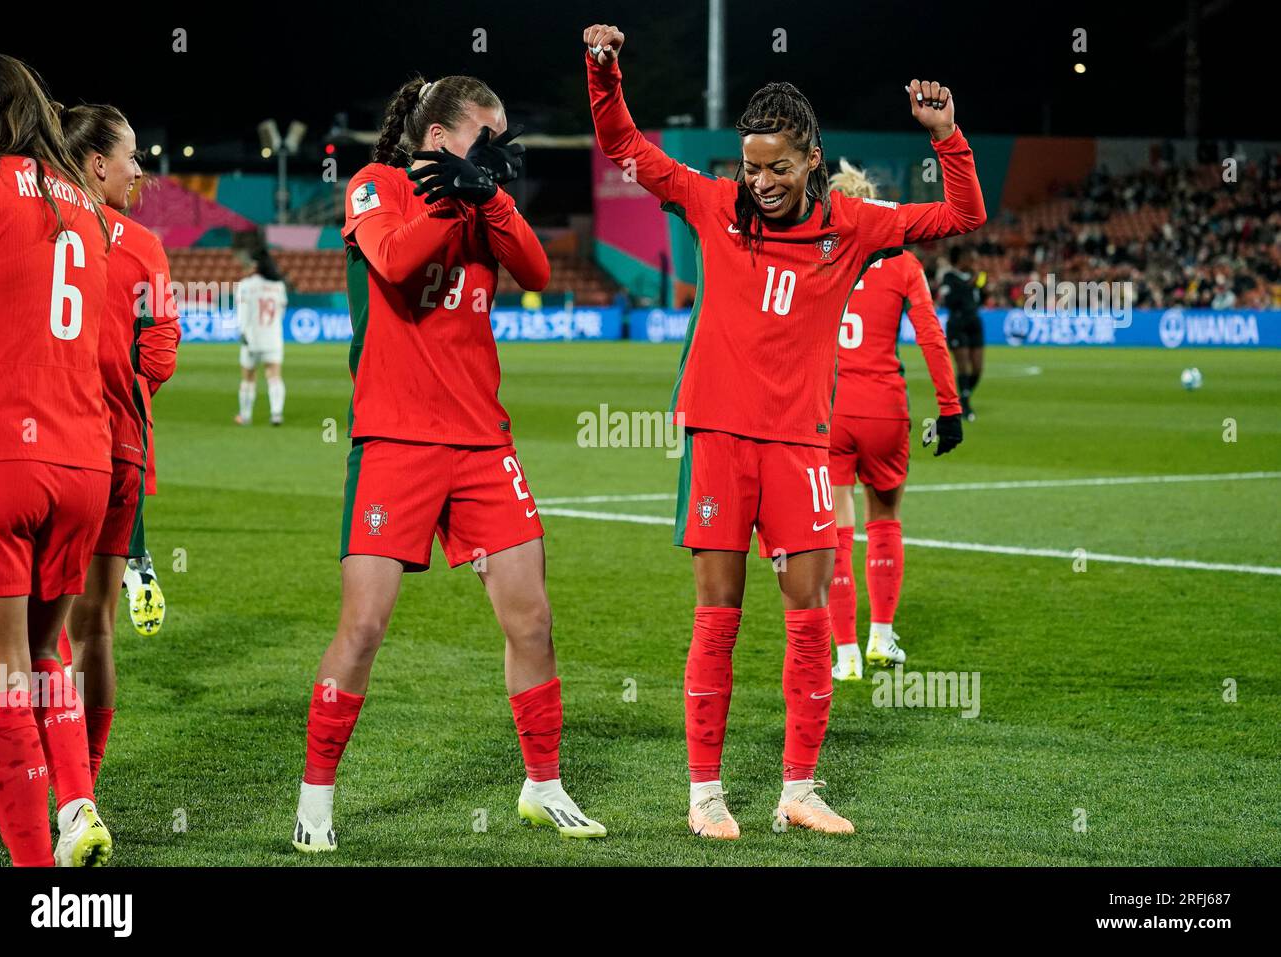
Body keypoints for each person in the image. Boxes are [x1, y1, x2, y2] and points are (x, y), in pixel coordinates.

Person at [585, 22, 985, 839]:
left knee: (808, 619)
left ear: (811, 159)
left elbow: (961, 214)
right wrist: (604, 71)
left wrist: (947, 137)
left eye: (777, 166)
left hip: (803, 444)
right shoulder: (709, 201)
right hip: (719, 440)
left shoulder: (854, 225)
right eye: (750, 164)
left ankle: (797, 788)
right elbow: (623, 143)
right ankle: (705, 793)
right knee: (717, 617)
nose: (760, 181)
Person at [292, 72, 605, 852]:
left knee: (531, 618)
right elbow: (397, 263)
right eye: (485, 139)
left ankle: (544, 785)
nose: (498, 154)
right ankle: (315, 802)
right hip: (394, 442)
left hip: (481, 441)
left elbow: (535, 271)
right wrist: (451, 197)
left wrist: (490, 196)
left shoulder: (483, 202)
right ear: (440, 139)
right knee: (363, 626)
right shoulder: (375, 185)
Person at [0, 52, 114, 866]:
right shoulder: (89, 210)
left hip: (4, 456)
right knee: (42, 655)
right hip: (83, 465)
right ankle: (76, 808)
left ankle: (36, 881)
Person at [59, 104, 180, 785]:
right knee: (94, 627)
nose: (140, 171)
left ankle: (26, 773)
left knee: (21, 628)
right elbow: (161, 352)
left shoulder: (33, 226)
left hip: (35, 442)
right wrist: (119, 390)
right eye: (131, 157)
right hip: (115, 449)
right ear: (97, 163)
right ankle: (82, 789)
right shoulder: (142, 244)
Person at [823, 161, 963, 681]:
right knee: (884, 523)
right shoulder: (904, 264)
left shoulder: (821, 257)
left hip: (830, 410)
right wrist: (950, 409)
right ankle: (881, 638)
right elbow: (931, 337)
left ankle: (846, 657)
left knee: (836, 532)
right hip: (885, 409)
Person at [234, 252, 288, 426]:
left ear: (255, 267)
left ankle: (245, 416)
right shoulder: (278, 286)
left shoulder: (245, 285)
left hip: (251, 339)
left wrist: (242, 332)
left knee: (248, 377)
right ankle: (276, 414)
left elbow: (242, 313)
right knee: (274, 376)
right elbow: (282, 312)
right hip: (273, 338)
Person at [939, 245, 984, 420]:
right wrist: (968, 286)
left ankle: (962, 398)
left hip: (974, 321)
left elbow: (981, 297)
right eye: (969, 257)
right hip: (958, 322)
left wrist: (981, 287)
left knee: (978, 368)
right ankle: (965, 406)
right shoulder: (949, 277)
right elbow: (950, 300)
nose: (972, 261)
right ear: (959, 259)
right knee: (963, 365)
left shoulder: (974, 277)